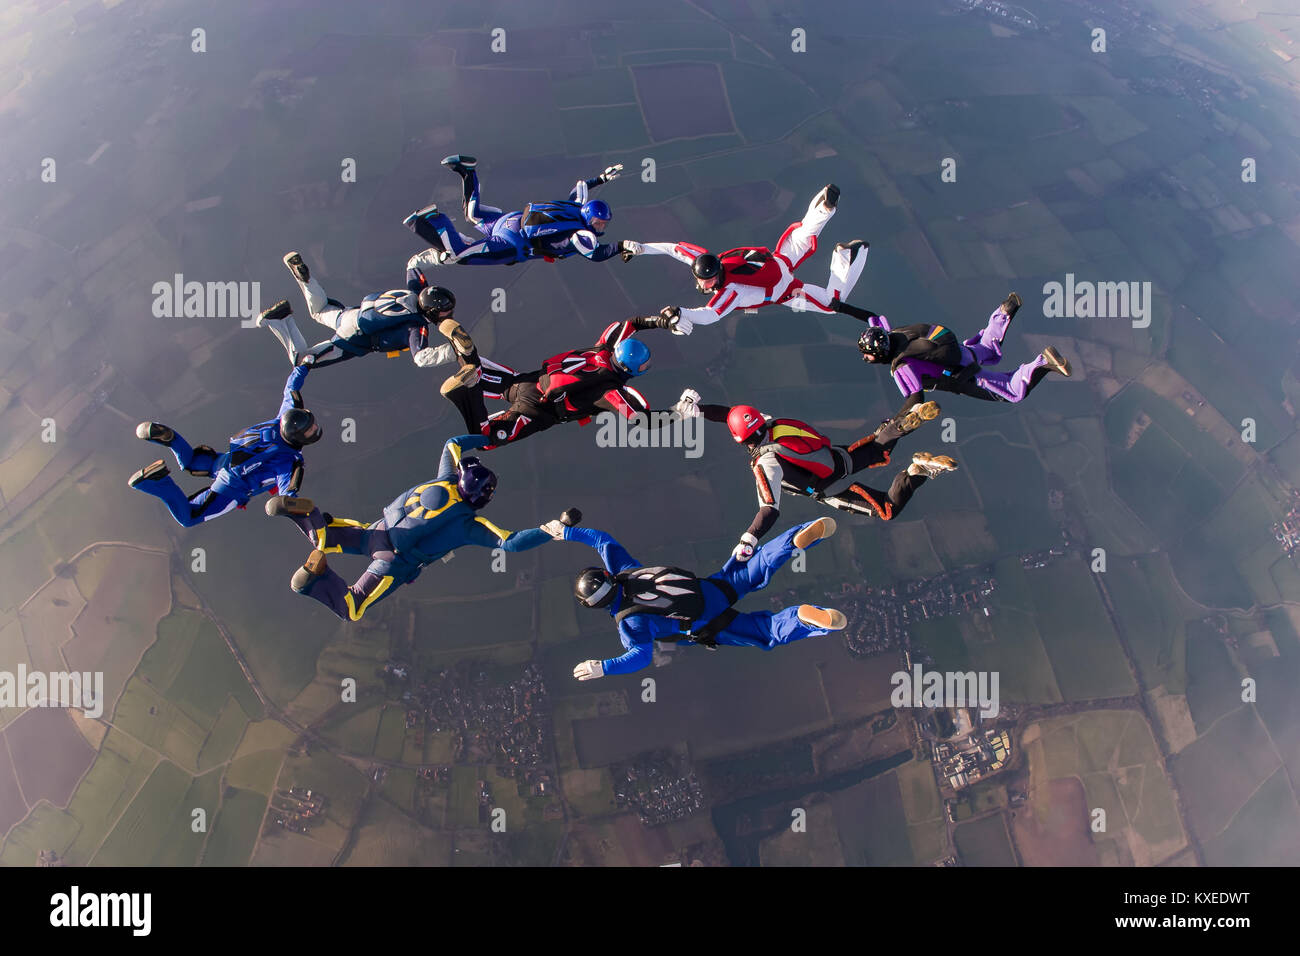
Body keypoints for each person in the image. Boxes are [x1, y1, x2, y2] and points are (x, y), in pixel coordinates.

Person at [264, 433, 581, 622]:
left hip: (376, 530)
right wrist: (556, 527)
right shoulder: (467, 523)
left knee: (329, 538)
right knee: (352, 607)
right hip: (393, 562)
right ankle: (314, 581)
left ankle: (309, 519)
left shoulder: (445, 477)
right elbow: (511, 543)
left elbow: (452, 443)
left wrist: (491, 438)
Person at [560, 518, 846, 679]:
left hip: (708, 623)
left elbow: (640, 657)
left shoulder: (630, 623)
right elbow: (601, 539)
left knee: (766, 632)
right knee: (756, 567)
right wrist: (567, 531)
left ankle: (800, 618)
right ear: (606, 575)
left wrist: (603, 668)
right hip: (710, 588)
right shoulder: (625, 570)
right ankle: (792, 541)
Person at [675, 392, 955, 554]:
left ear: (742, 440)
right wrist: (697, 410)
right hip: (835, 457)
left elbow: (770, 509)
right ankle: (906, 420)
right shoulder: (769, 420)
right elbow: (730, 414)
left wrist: (749, 539)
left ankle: (916, 470)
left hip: (829, 488)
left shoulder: (766, 463)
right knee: (878, 446)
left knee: (887, 509)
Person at [128, 301, 321, 527]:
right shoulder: (288, 460)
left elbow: (291, 388)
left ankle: (171, 438)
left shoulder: (283, 417)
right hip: (233, 487)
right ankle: (155, 483)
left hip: (225, 460)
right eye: (310, 430)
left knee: (190, 462)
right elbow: (289, 490)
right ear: (297, 436)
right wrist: (293, 508)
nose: (314, 429)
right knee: (189, 517)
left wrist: (303, 366)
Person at [620, 184, 868, 334]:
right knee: (804, 232)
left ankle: (844, 256)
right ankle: (825, 207)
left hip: (787, 291)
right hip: (779, 259)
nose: (705, 285)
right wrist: (642, 248)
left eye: (708, 282)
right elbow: (674, 249)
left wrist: (681, 313)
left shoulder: (732, 290)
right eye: (702, 280)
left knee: (832, 304)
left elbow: (710, 315)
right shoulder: (707, 259)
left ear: (715, 276)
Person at [439, 310, 688, 448]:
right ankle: (467, 391)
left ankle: (469, 357)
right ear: (631, 369)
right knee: (486, 440)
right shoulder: (610, 391)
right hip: (538, 411)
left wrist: (662, 321)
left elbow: (631, 323)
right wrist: (680, 412)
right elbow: (642, 420)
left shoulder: (602, 347)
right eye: (644, 365)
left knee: (497, 381)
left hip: (530, 382)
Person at [846, 292, 1072, 413]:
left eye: (868, 354)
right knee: (988, 350)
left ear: (881, 353)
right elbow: (871, 316)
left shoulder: (901, 367)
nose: (865, 358)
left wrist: (895, 423)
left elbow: (915, 397)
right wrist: (839, 307)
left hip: (964, 374)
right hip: (958, 351)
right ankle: (1003, 313)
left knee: (1013, 393)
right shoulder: (891, 332)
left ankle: (1043, 363)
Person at [403, 154, 625, 267]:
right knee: (459, 255)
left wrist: (601, 178)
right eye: (598, 222)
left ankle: (468, 173)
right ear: (589, 218)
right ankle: (435, 218)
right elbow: (597, 254)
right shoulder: (580, 235)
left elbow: (581, 187)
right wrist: (623, 246)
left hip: (510, 220)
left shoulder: (575, 208)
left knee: (474, 215)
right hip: (511, 244)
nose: (600, 227)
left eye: (603, 223)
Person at [259, 251, 460, 369]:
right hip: (351, 339)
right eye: (445, 312)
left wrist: (442, 256)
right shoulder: (415, 327)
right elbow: (421, 358)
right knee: (300, 360)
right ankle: (279, 319)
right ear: (432, 312)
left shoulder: (416, 290)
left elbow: (414, 263)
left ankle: (307, 280)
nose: (448, 315)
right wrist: (456, 351)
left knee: (319, 311)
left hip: (350, 315)